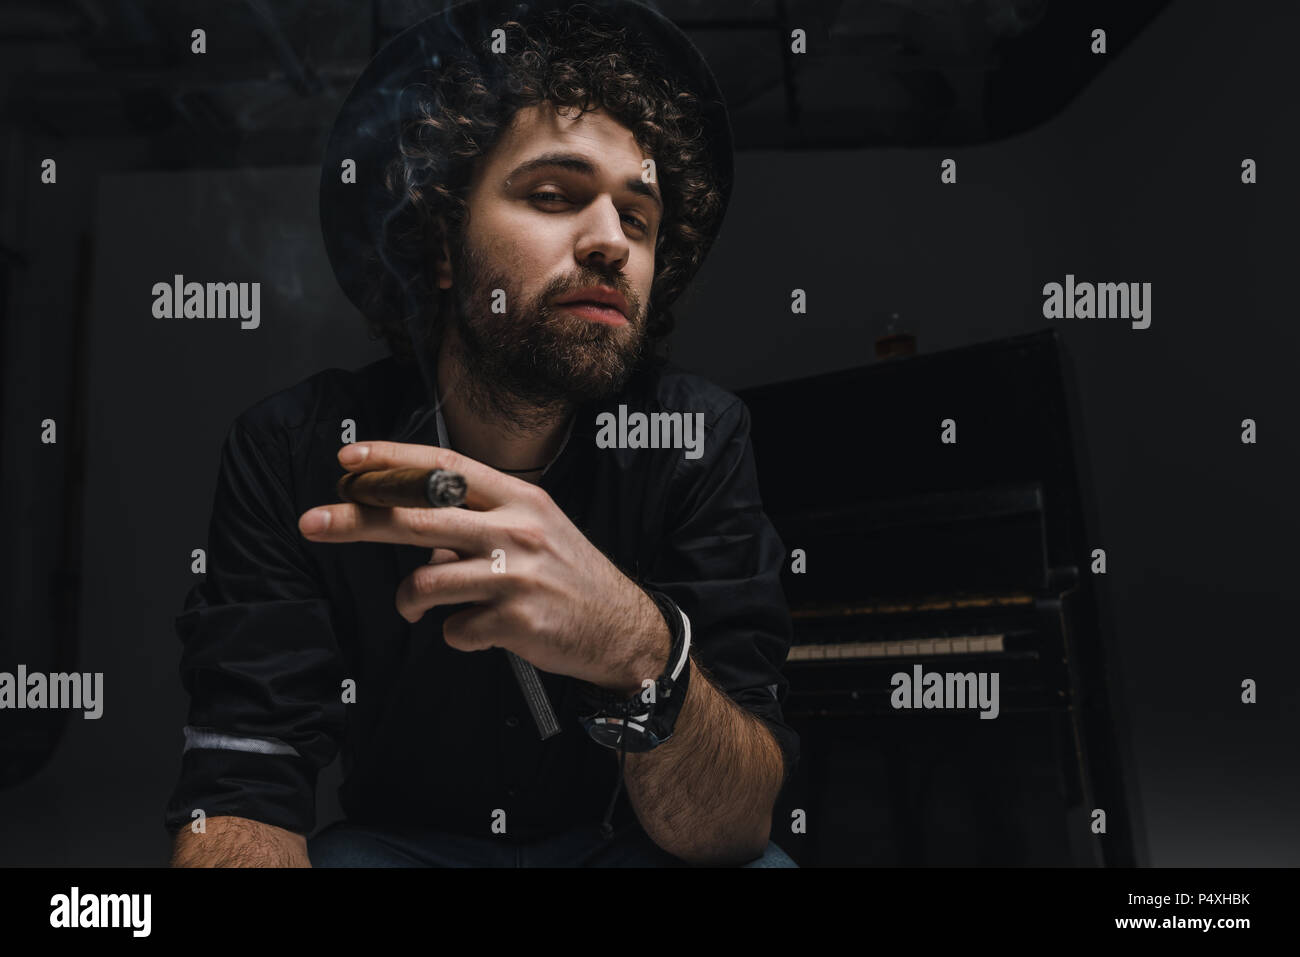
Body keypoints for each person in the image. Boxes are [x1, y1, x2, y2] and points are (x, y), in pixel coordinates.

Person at [165, 0, 798, 867]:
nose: (612, 240)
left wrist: (634, 640)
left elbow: (732, 827)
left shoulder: (697, 438)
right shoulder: (292, 450)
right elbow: (240, 799)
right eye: (553, 195)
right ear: (442, 248)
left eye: (640, 217)